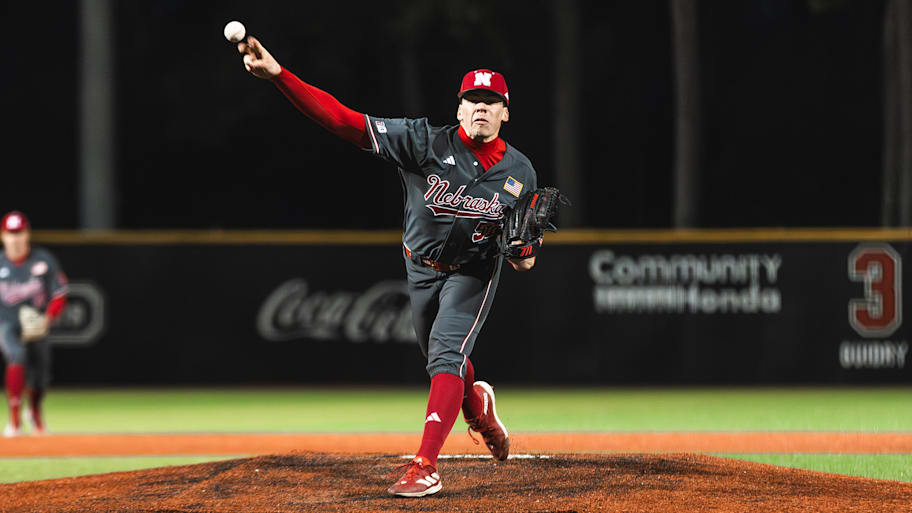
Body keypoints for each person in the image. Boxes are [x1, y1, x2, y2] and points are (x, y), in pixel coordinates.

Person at [238, 36, 539, 497]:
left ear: (505, 112)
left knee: (445, 354)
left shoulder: (521, 173)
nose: (481, 107)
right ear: (458, 108)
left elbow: (526, 260)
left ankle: (425, 465)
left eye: (491, 101)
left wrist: (520, 252)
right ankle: (477, 406)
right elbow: (344, 121)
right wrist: (280, 76)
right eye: (473, 99)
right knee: (442, 359)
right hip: (420, 269)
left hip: (473, 272)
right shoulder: (422, 142)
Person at [0, 211, 68, 437]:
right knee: (16, 356)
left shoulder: (43, 260)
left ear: (27, 234)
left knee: (40, 374)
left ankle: (35, 411)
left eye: (19, 233)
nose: (16, 238)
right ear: (3, 236)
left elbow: (59, 294)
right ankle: (15, 419)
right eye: (11, 233)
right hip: (6, 323)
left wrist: (48, 319)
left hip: (37, 324)